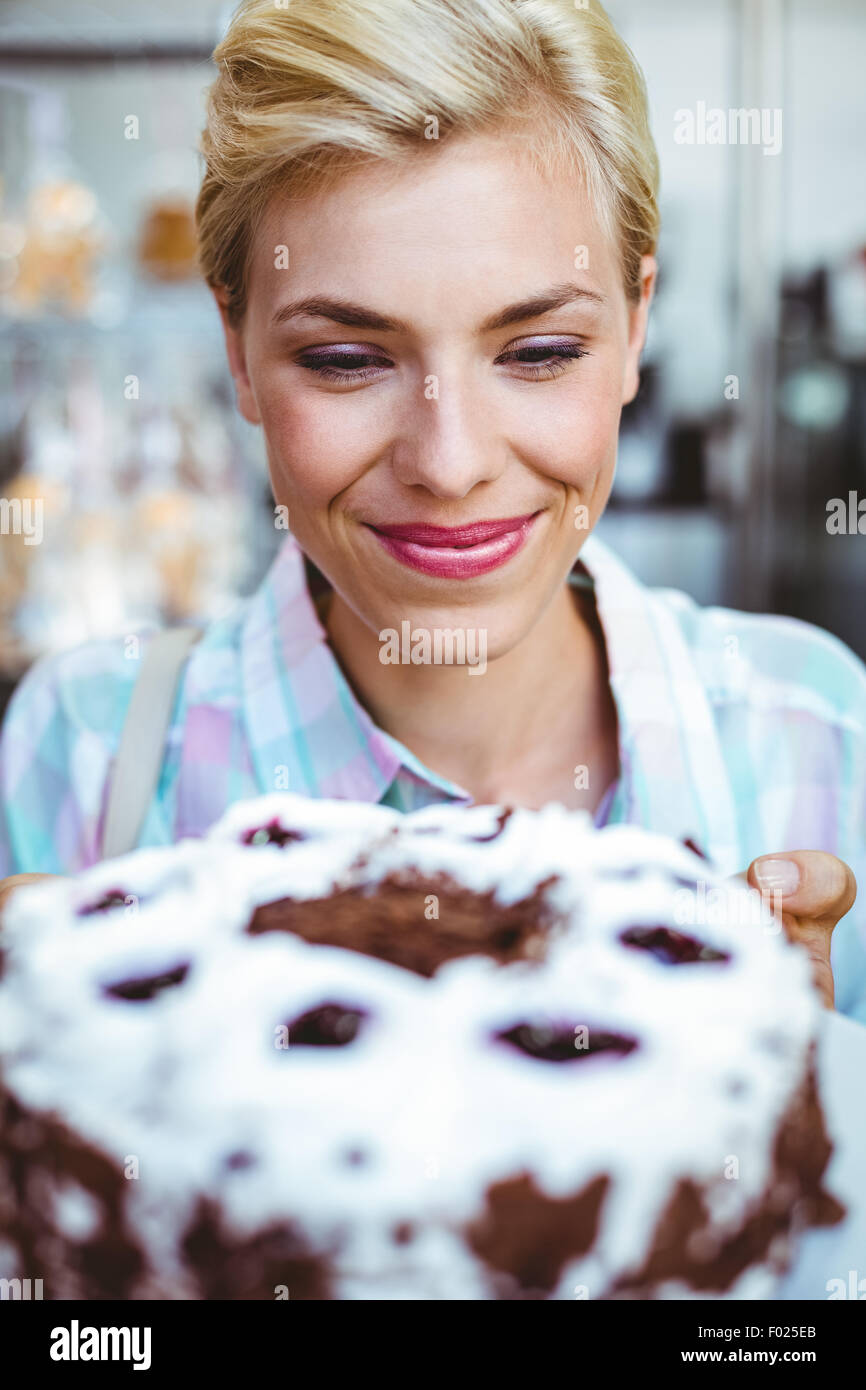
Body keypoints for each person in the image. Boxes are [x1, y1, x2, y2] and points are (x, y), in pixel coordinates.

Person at [0, 0, 862, 1017]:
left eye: (538, 353)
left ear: (634, 328)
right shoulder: (91, 746)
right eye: (345, 361)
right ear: (237, 351)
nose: (448, 465)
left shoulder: (816, 738)